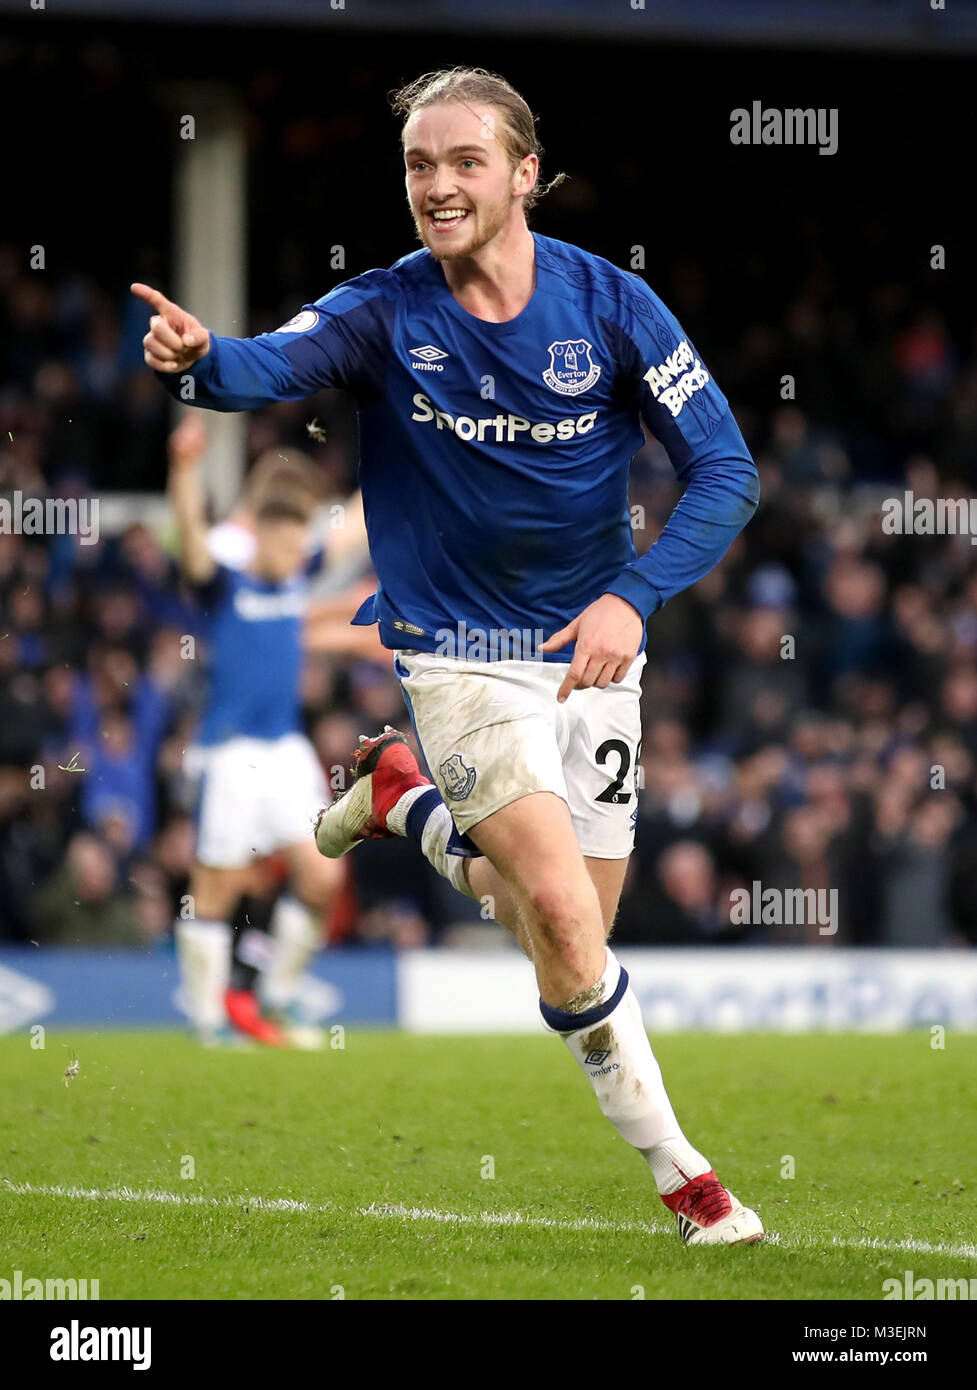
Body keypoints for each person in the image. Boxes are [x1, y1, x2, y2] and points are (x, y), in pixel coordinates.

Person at [133, 66, 762, 1244]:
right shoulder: (382, 308)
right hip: (457, 653)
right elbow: (270, 361)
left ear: (525, 173)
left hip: (591, 655)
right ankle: (690, 1184)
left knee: (562, 932)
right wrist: (201, 358)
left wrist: (632, 595)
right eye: (420, 165)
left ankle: (404, 807)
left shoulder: (615, 305)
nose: (437, 184)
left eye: (464, 160)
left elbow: (725, 473)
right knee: (568, 926)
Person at [165, 414, 345, 1046]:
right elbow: (188, 538)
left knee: (323, 874)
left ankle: (280, 996)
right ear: (260, 534)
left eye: (303, 545)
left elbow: (354, 530)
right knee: (214, 887)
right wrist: (184, 469)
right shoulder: (226, 582)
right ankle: (207, 1019)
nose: (298, 555)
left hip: (285, 749)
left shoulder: (295, 572)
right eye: (288, 542)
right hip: (230, 752)